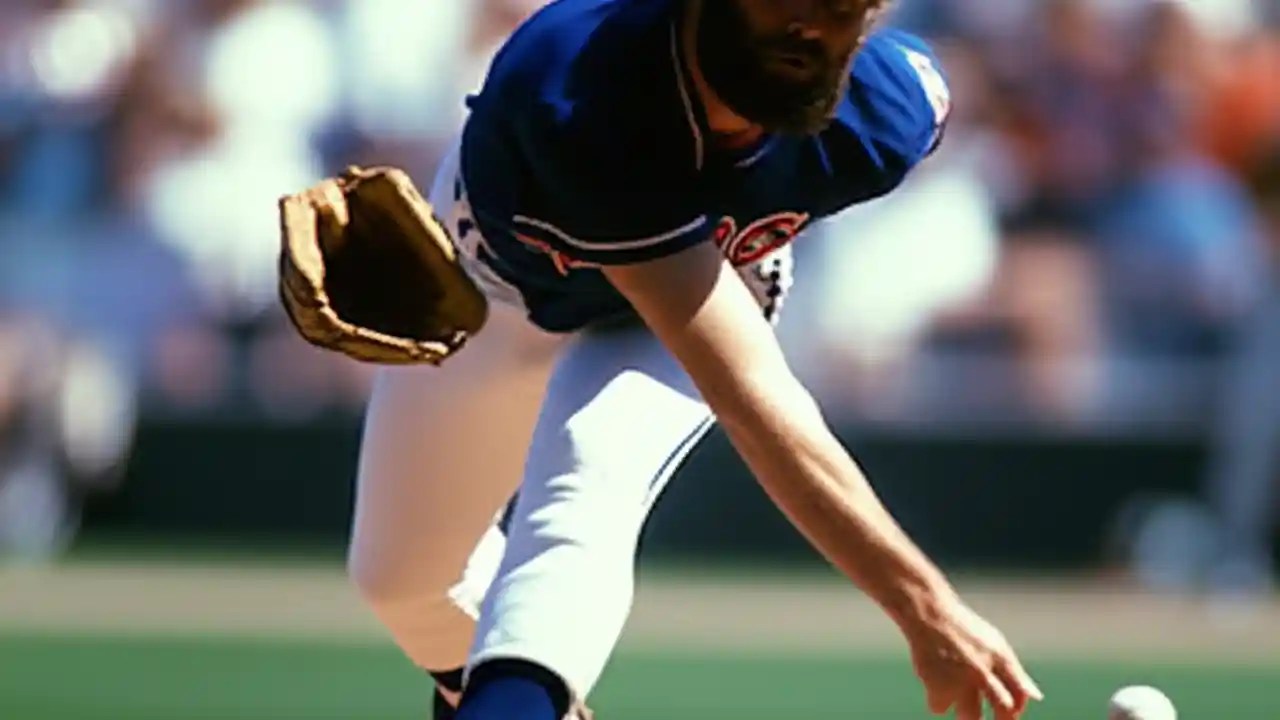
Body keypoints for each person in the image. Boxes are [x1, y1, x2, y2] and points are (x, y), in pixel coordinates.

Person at [345, 1, 1043, 719]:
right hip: (499, 290)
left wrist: (922, 602)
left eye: (837, 7)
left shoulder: (892, 111)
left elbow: (750, 388)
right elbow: (750, 401)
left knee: (583, 495)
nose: (808, 26)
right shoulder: (585, 89)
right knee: (405, 586)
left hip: (706, 288)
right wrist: (923, 603)